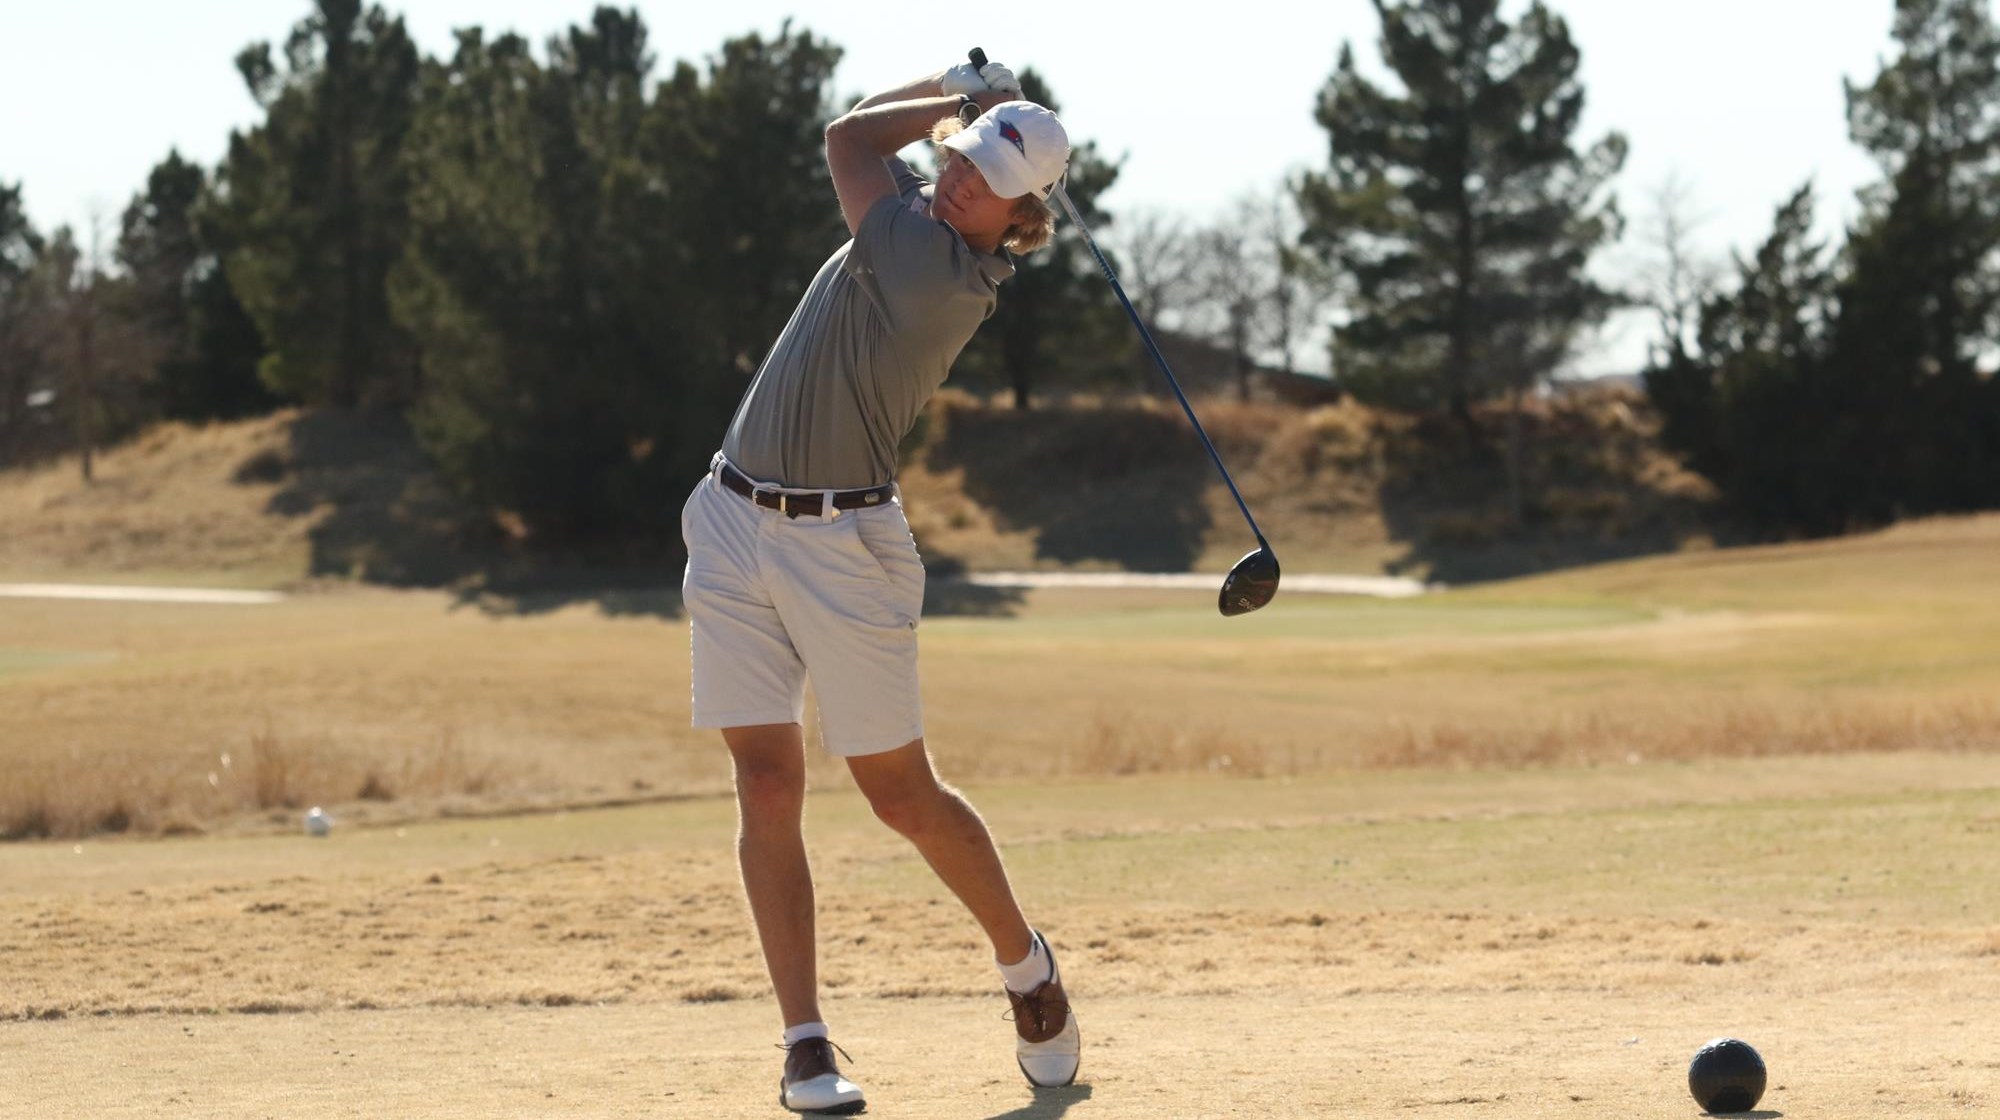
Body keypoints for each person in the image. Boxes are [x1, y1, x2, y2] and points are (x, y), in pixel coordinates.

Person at [678, 56, 1080, 1115]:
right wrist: (959, 112)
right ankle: (805, 1043)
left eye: (981, 175)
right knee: (764, 784)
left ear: (1022, 214)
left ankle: (1025, 965)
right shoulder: (918, 225)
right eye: (955, 162)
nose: (954, 178)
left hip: (841, 545)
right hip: (729, 515)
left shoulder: (930, 268)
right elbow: (865, 140)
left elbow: (846, 138)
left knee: (898, 793)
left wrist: (954, 87)